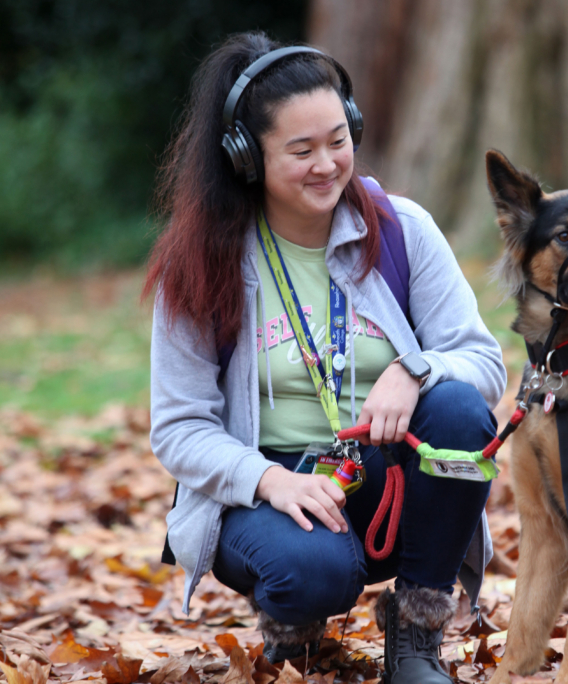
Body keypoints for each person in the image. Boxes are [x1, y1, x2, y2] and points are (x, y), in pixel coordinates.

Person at [143, 32, 506, 684]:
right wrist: (272, 483)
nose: (327, 165)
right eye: (300, 150)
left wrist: (413, 368)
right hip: (261, 488)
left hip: (383, 468)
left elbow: (481, 360)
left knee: (454, 407)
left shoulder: (402, 230)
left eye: (338, 140)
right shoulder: (200, 263)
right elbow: (178, 429)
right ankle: (294, 627)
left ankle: (416, 643)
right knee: (314, 572)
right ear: (245, 158)